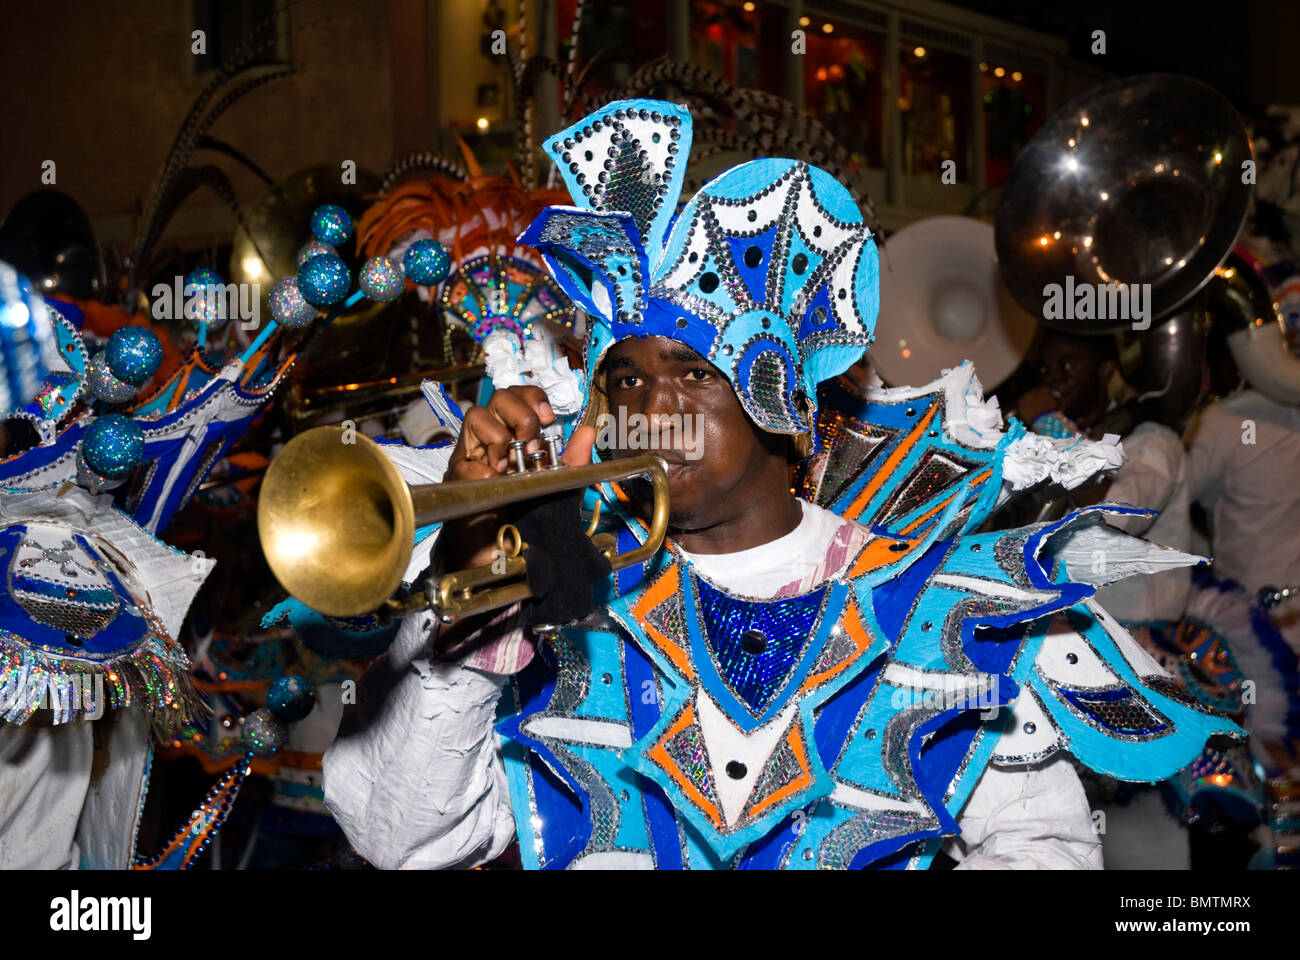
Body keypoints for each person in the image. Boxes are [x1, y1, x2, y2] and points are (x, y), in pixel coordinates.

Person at [322, 99, 1238, 870]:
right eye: (626, 380)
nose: (648, 409)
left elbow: (1050, 851)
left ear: (777, 406)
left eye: (692, 374)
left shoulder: (935, 601)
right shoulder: (558, 600)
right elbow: (397, 840)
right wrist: (478, 606)